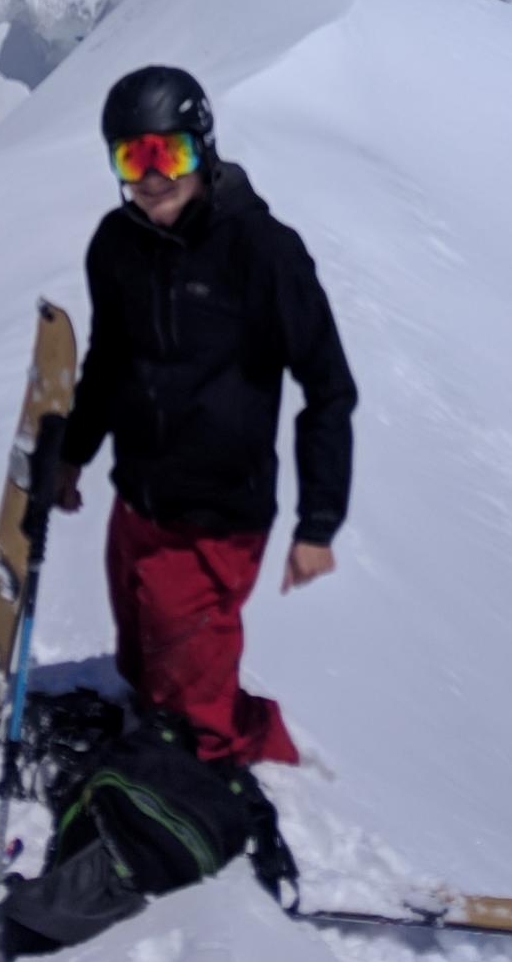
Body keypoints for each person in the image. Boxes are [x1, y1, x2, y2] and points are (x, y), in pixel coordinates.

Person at [57, 64, 357, 766]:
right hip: (137, 504)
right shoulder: (115, 245)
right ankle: (168, 739)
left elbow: (328, 388)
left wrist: (318, 525)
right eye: (134, 157)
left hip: (217, 519)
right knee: (143, 663)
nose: (152, 177)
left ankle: (225, 776)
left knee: (194, 710)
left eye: (170, 154)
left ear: (204, 148)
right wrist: (73, 455)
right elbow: (106, 360)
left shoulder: (263, 252)